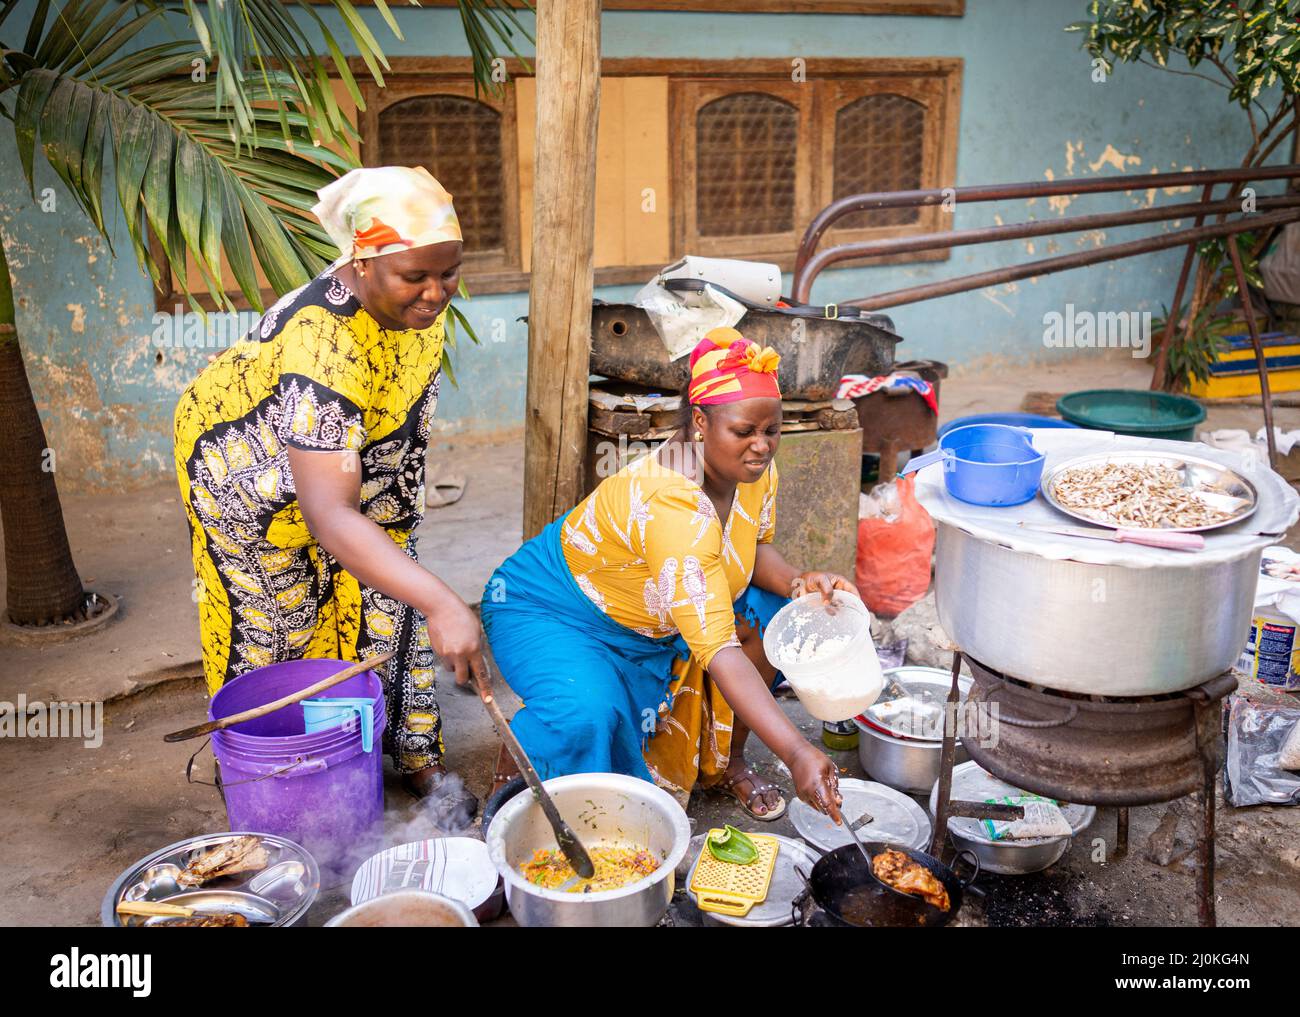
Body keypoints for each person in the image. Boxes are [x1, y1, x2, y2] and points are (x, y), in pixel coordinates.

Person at [173, 166, 485, 818]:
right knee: (278, 628)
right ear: (363, 261)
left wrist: (417, 579)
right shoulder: (322, 342)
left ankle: (416, 753)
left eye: (449, 272)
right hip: (246, 481)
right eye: (416, 277)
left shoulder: (413, 303)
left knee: (394, 605)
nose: (436, 294)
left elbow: (393, 404)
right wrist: (445, 599)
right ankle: (273, 780)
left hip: (363, 463)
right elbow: (327, 510)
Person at [480, 327, 849, 823]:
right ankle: (524, 773)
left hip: (659, 613)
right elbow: (717, 647)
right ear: (700, 421)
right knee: (587, 713)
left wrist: (799, 583)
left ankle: (730, 761)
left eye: (771, 431)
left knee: (774, 615)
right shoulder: (672, 502)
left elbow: (752, 547)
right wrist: (798, 752)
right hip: (552, 611)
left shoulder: (751, 470)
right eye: (745, 432)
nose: (761, 447)